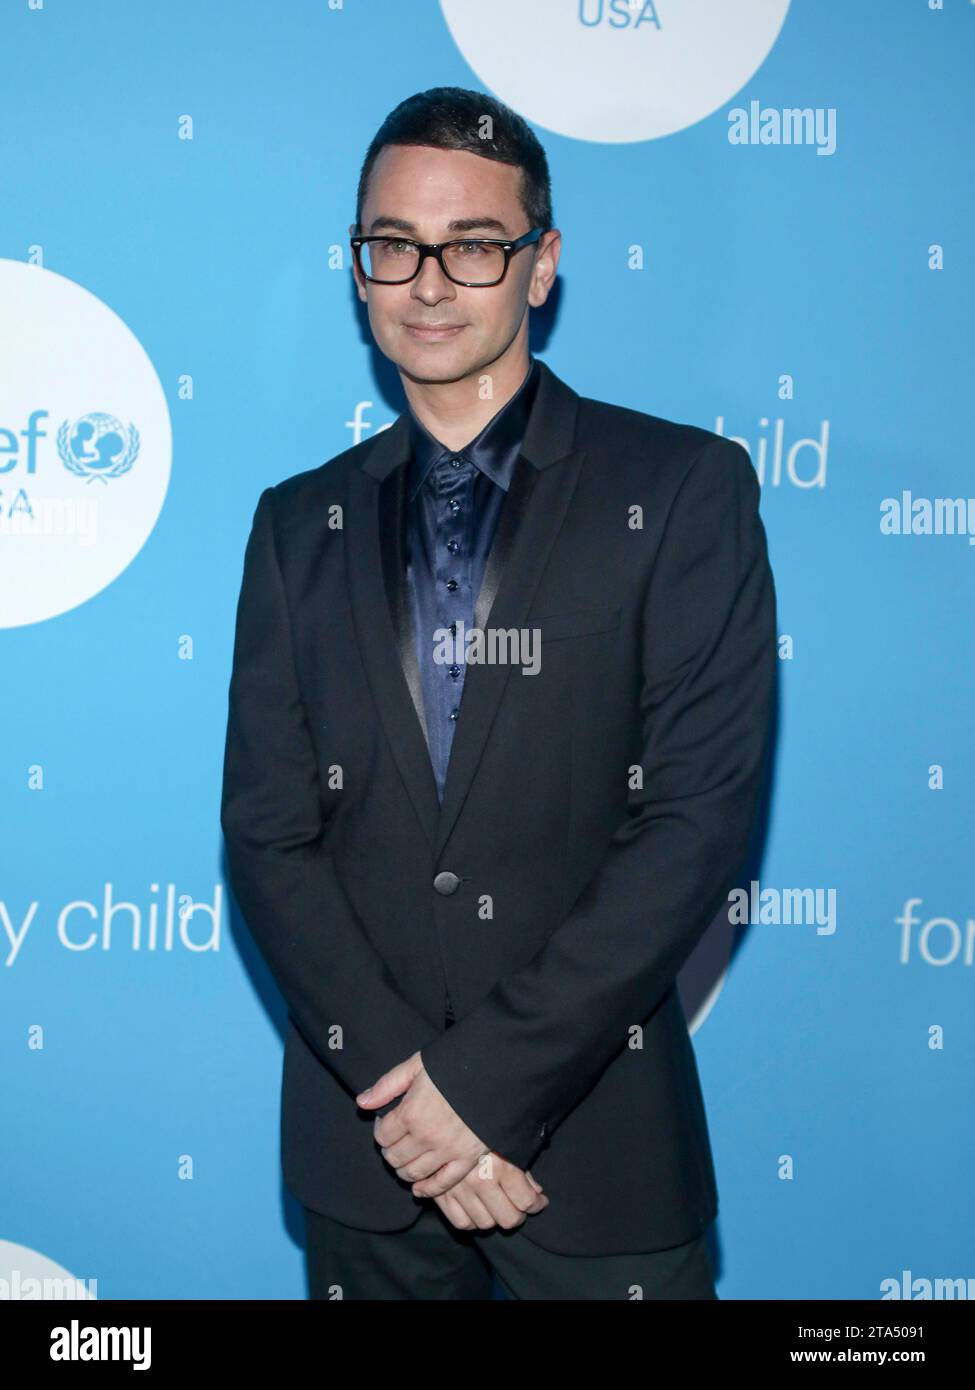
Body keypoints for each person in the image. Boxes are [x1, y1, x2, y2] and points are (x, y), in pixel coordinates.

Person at [220, 85, 777, 1300]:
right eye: (393, 245)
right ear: (357, 267)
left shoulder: (682, 487)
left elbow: (693, 822)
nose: (428, 282)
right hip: (367, 1165)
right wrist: (412, 1101)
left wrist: (480, 1091)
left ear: (542, 265)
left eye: (474, 245)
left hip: (599, 1156)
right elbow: (268, 834)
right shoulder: (293, 524)